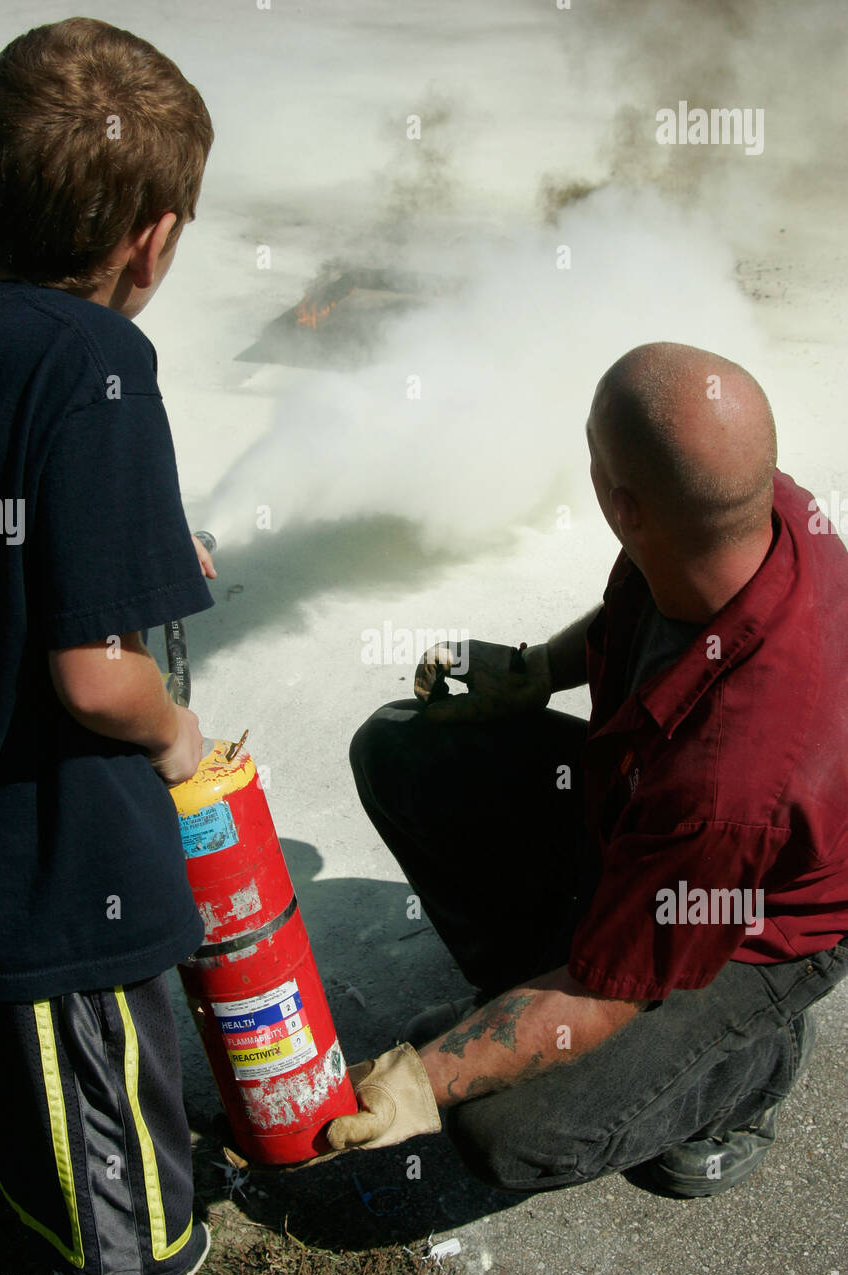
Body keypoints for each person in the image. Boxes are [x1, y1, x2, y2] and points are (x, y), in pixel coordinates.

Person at [333, 342, 848, 1199]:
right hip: (656, 816)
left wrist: (426, 1081)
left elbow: (611, 991)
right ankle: (522, 989)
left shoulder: (734, 780)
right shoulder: (744, 509)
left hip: (752, 924)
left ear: (624, 506)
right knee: (403, 750)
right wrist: (538, 671)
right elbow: (638, 593)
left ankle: (754, 1062)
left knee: (504, 1132)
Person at [0, 18, 216, 1275]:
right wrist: (175, 734)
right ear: (154, 236)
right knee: (129, 1263)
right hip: (57, 902)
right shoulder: (99, 365)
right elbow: (93, 674)